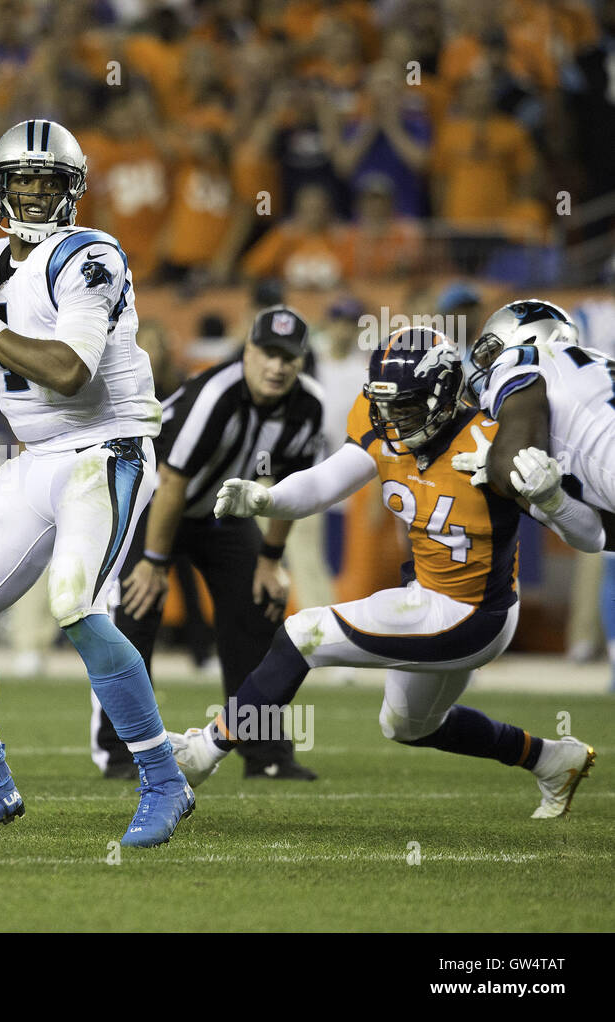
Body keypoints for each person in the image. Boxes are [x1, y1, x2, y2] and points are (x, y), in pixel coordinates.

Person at [170, 327, 596, 819]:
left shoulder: (490, 440)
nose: (391, 419)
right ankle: (550, 758)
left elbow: (589, 536)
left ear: (441, 398)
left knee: (303, 633)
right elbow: (328, 480)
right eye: (384, 405)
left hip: (470, 612)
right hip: (431, 596)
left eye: (406, 407)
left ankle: (205, 751)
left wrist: (552, 498)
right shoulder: (384, 422)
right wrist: (269, 498)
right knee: (408, 725)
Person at [0, 118, 196, 848]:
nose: (35, 196)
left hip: (107, 446)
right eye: (23, 182)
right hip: (37, 457)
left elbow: (72, 372)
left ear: (73, 191)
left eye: (49, 183)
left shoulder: (87, 253)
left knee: (76, 603)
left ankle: (164, 778)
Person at [110, 306, 324, 781]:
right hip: (149, 495)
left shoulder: (309, 405)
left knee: (257, 608)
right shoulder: (217, 393)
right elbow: (171, 480)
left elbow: (292, 489)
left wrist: (270, 560)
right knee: (137, 609)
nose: (278, 366)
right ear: (248, 352)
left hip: (219, 509)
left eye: (289, 356)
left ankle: (265, 753)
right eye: (268, 353)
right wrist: (154, 561)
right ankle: (121, 751)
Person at [453, 299, 615, 554]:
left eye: (492, 351)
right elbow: (599, 538)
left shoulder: (524, 358)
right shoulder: (585, 382)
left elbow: (512, 467)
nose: (485, 365)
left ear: (528, 339)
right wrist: (553, 502)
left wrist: (497, 465)